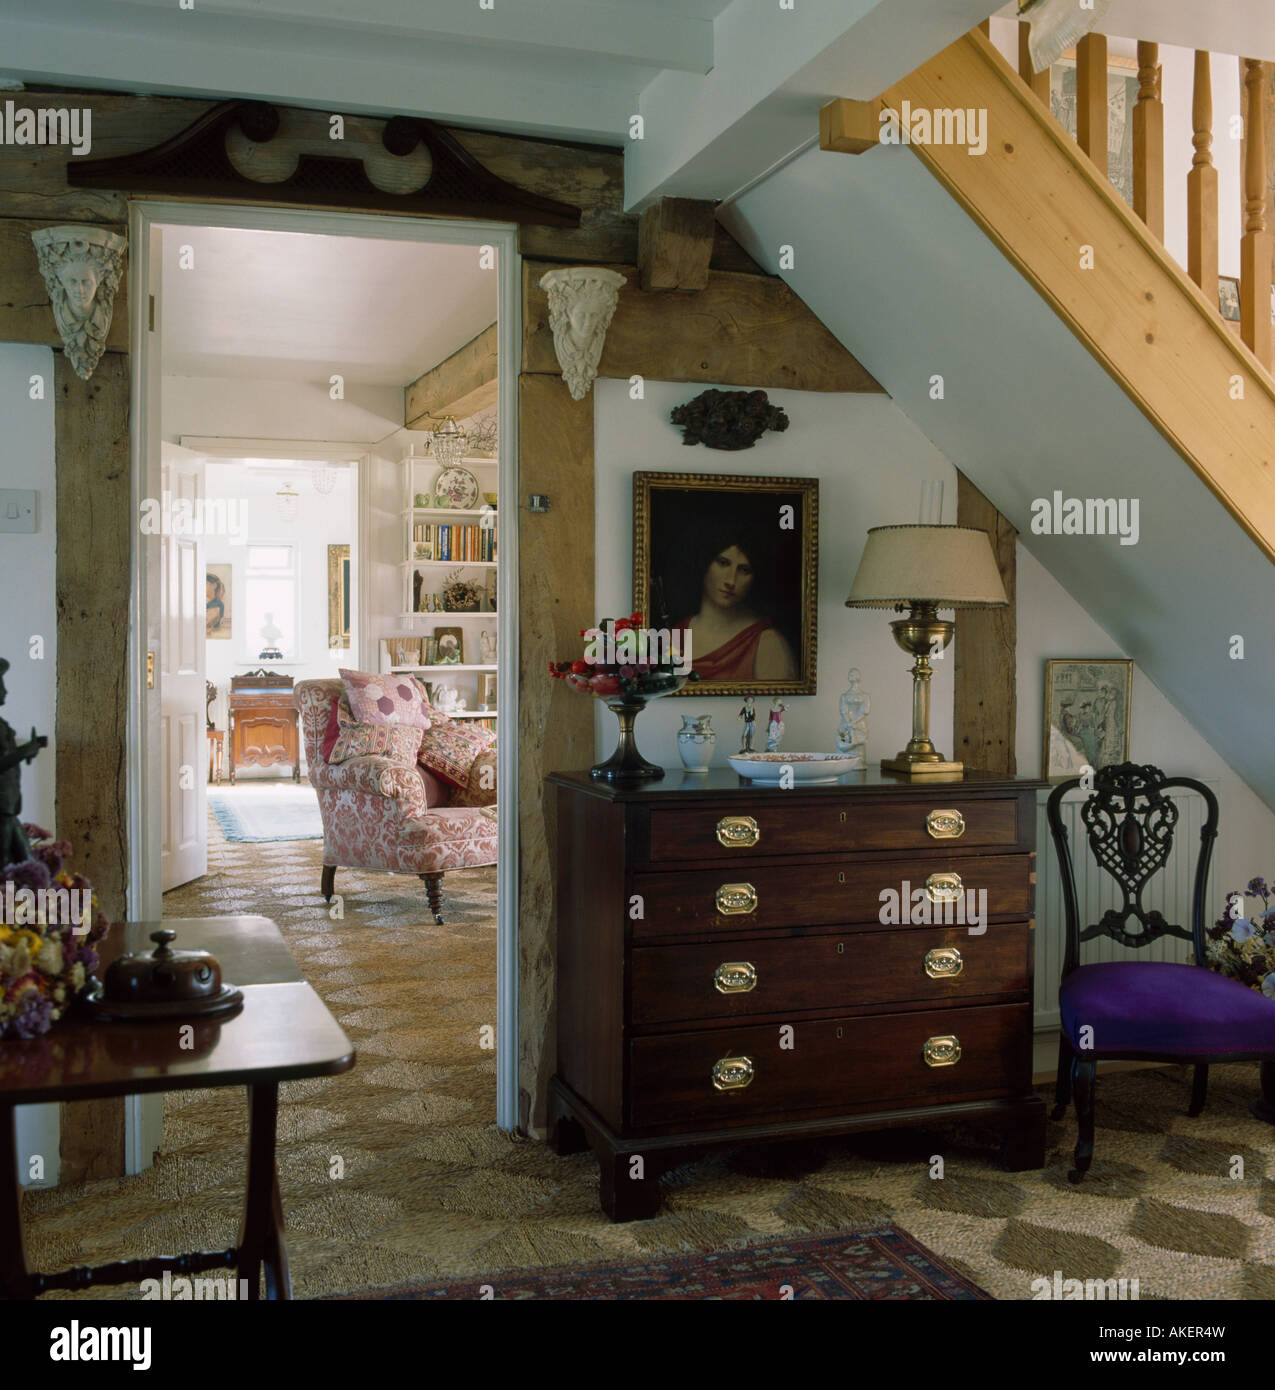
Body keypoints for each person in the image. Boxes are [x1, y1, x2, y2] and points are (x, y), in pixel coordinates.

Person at [680, 527, 797, 682]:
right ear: (705, 564)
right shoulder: (676, 634)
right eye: (723, 563)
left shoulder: (767, 642)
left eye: (744, 570)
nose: (731, 580)